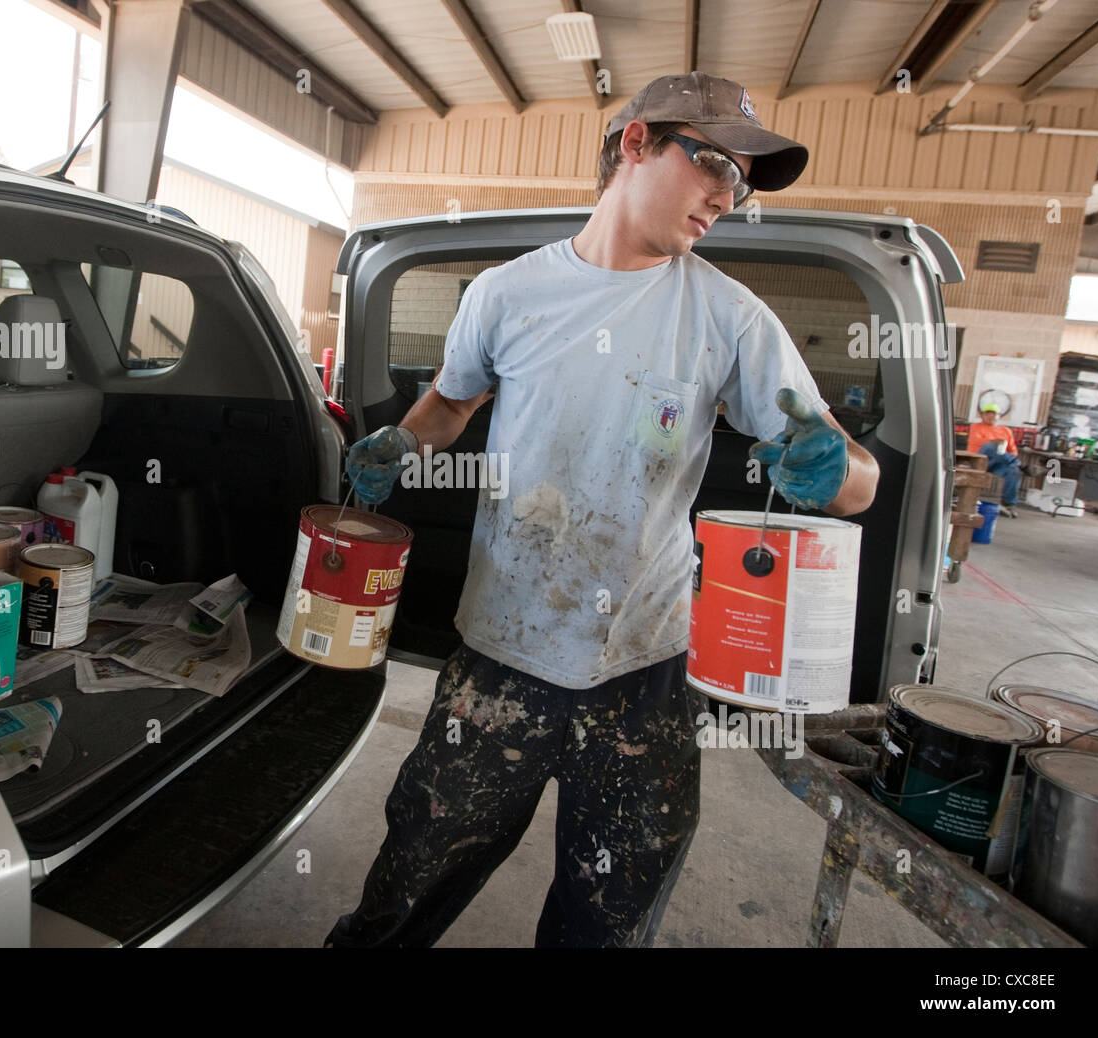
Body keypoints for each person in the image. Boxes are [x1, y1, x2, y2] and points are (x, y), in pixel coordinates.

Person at [326, 72, 880, 948]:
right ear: (636, 143)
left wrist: (831, 470)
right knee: (406, 887)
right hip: (500, 656)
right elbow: (451, 404)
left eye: (740, 182)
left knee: (608, 923)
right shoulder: (504, 295)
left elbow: (859, 480)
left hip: (643, 672)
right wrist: (404, 444)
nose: (726, 198)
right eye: (713, 166)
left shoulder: (729, 318)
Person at [968, 402, 1021, 517]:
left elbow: (1013, 451)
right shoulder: (975, 427)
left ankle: (1009, 504)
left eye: (994, 414)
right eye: (988, 413)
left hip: (998, 464)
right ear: (982, 415)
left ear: (1000, 416)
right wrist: (996, 442)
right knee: (992, 447)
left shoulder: (1006, 431)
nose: (991, 416)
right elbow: (977, 442)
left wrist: (1003, 450)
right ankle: (1020, 464)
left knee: (1014, 471)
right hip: (980, 461)